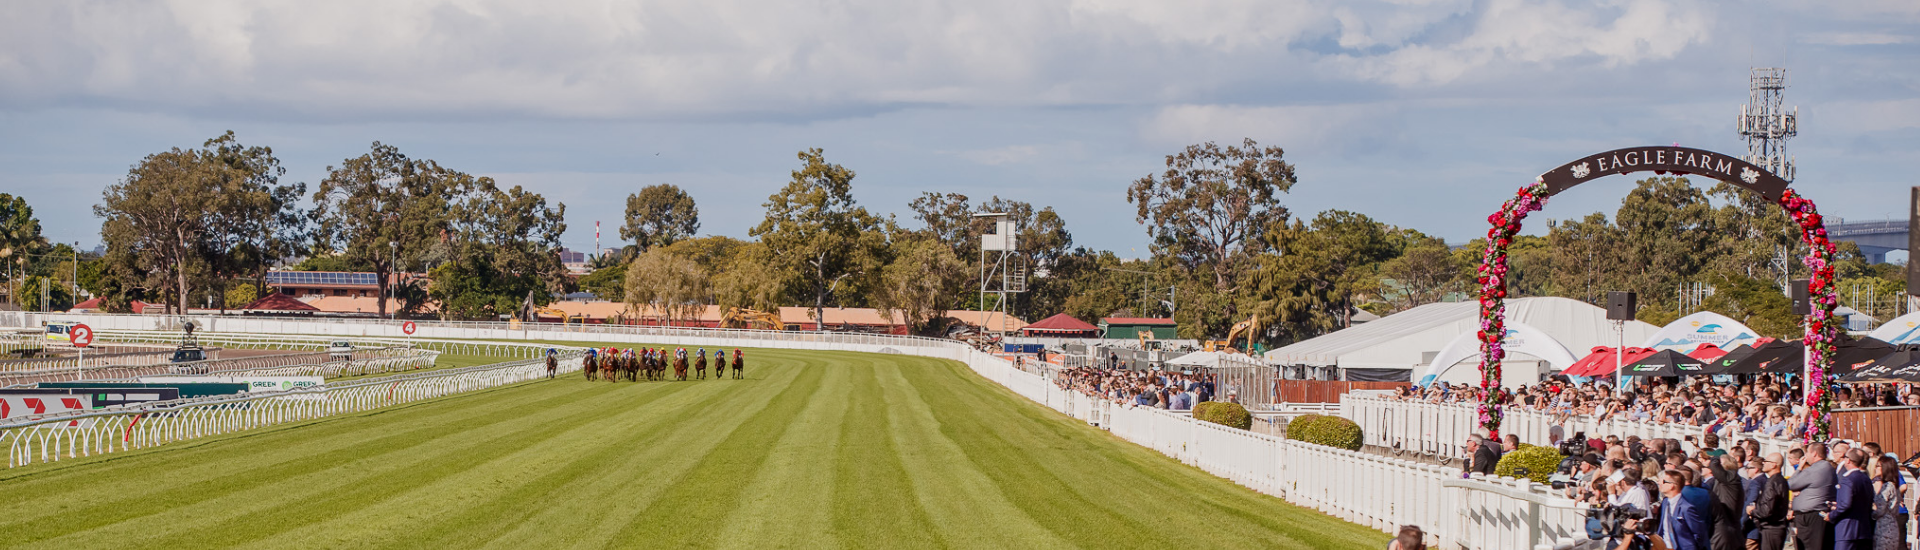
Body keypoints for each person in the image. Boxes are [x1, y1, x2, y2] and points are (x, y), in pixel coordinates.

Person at [1788, 443, 1838, 550]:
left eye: (1807, 453)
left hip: (1812, 516)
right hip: (1807, 515)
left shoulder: (1818, 468)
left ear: (1814, 454)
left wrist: (1799, 468)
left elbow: (1791, 484)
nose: (1805, 456)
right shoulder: (1821, 467)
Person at [1832, 450, 1875, 550]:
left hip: (1847, 530)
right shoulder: (1866, 479)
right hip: (1864, 530)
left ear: (1848, 460)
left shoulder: (1848, 479)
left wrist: (1832, 515)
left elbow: (1845, 505)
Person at [1660, 469, 1710, 550]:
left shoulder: (1686, 507)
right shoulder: (1665, 502)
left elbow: (1698, 533)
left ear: (1672, 485)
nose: (1660, 483)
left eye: (1663, 481)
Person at [1749, 452, 1789, 550]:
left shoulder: (1772, 483)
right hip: (1776, 528)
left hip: (1771, 528)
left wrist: (1752, 511)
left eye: (1766, 461)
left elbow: (1766, 510)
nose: (1763, 463)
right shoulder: (1781, 480)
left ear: (1773, 464)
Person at [1706, 454, 1743, 550]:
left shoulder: (1732, 477)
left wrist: (1714, 457)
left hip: (1728, 528)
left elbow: (1714, 466)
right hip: (1724, 527)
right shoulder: (1724, 480)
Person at [1871, 456, 1903, 550]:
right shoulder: (1894, 485)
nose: (1875, 468)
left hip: (1884, 529)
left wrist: (1871, 514)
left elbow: (1880, 509)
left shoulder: (1887, 486)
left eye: (1878, 466)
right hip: (1892, 526)